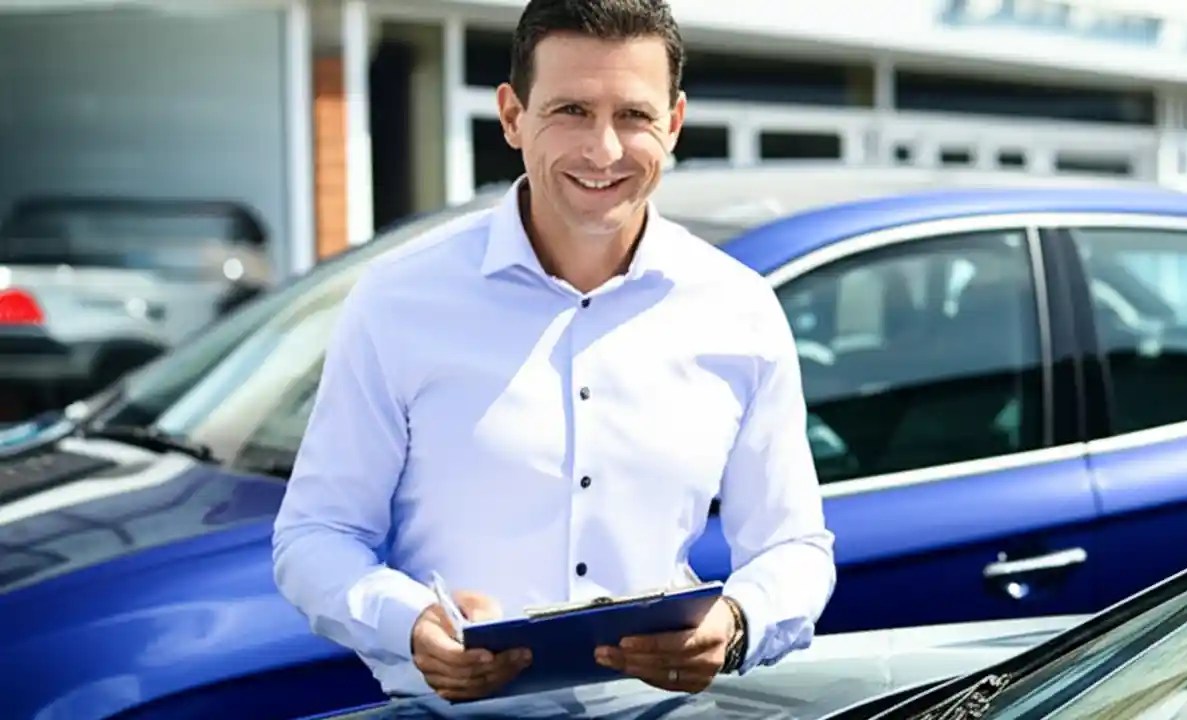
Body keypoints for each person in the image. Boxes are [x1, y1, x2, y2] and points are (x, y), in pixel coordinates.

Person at [272, 0, 835, 704]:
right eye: (571, 110)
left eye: (633, 115)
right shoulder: (396, 301)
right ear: (512, 116)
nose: (603, 150)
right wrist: (409, 623)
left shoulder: (740, 311)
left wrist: (737, 621)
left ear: (675, 123)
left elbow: (795, 547)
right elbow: (316, 537)